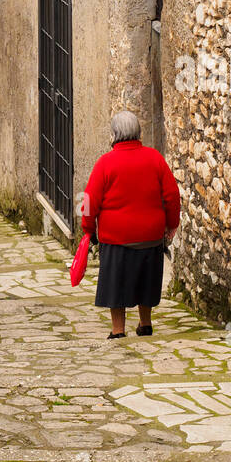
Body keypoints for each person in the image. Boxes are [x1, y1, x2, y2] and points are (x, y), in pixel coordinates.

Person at [79, 110, 181, 339]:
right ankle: (145, 324)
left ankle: (118, 330)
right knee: (147, 278)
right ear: (139, 132)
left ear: (114, 134)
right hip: (150, 236)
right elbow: (172, 196)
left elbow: (88, 200)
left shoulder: (105, 163)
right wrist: (171, 225)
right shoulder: (154, 158)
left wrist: (88, 229)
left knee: (117, 282)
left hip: (116, 238)